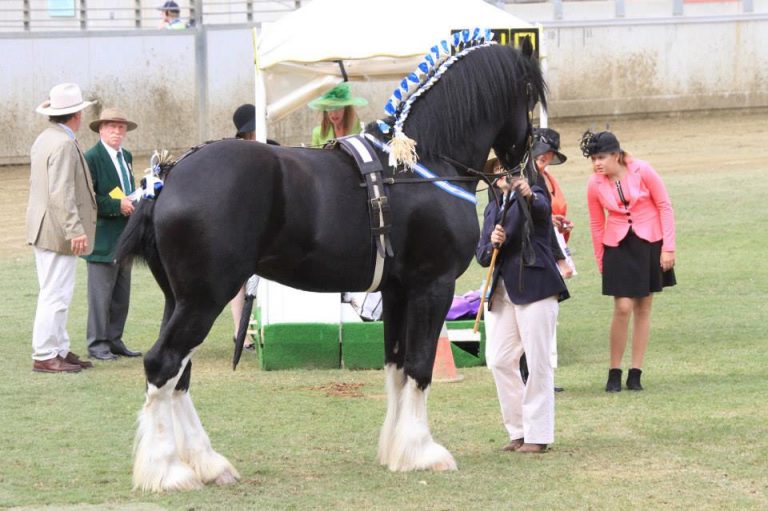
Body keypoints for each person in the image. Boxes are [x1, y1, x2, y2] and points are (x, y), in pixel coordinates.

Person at [477, 158, 570, 453]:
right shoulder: (492, 207)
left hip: (536, 285)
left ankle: (538, 434)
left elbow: (542, 212)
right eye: (497, 171)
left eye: (509, 170)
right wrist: (493, 243)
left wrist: (528, 193)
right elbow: (481, 255)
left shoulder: (534, 194)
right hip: (503, 291)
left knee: (538, 360)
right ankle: (518, 429)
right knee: (500, 359)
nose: (502, 175)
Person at [582, 130, 676, 392]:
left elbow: (664, 206)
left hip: (649, 243)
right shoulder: (594, 184)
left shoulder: (643, 170)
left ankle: (636, 372)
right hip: (617, 246)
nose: (596, 163)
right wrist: (601, 261)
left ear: (616, 155)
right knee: (622, 307)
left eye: (601, 157)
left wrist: (668, 248)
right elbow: (596, 222)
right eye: (593, 159)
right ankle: (614, 371)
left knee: (644, 307)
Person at [27, 83, 97, 373]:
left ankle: (58, 347)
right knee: (56, 293)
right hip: (57, 229)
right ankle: (45, 353)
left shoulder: (45, 138)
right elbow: (61, 192)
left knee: (55, 291)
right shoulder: (64, 143)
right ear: (76, 115)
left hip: (44, 226)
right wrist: (74, 229)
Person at [83, 108, 143, 361]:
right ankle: (97, 344)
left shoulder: (125, 156)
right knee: (101, 297)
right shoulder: (92, 157)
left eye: (121, 127)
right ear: (100, 129)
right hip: (103, 238)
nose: (117, 131)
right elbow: (89, 197)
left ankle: (115, 340)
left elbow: (125, 188)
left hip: (125, 236)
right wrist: (116, 205)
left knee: (121, 295)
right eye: (111, 126)